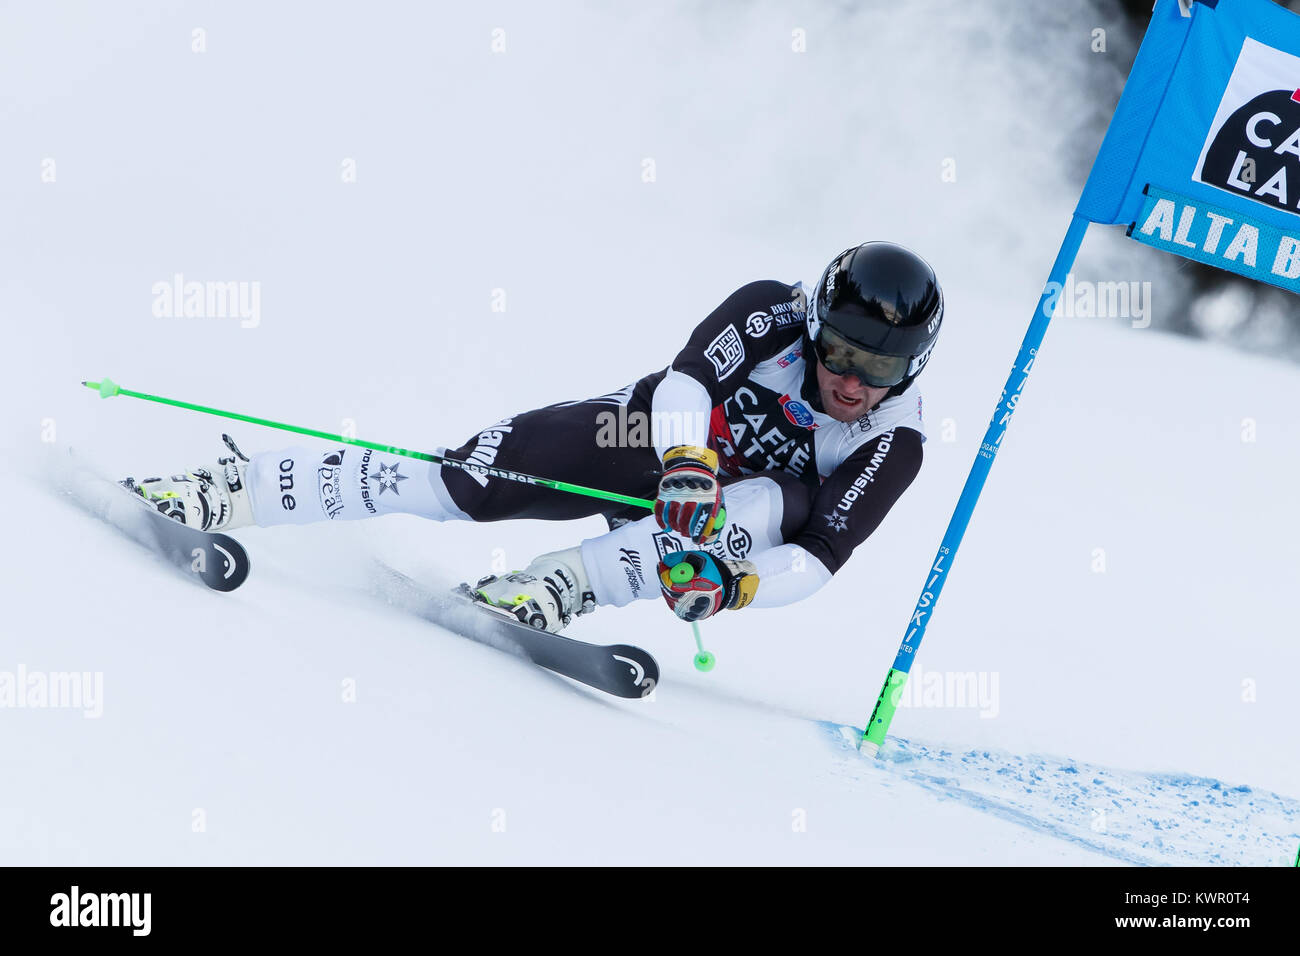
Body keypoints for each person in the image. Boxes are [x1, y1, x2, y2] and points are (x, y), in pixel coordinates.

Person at [124, 242, 943, 634]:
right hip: (648, 439)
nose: (851, 381)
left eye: (881, 368)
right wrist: (688, 463)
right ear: (815, 326)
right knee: (467, 484)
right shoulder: (773, 309)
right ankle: (236, 490)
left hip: (715, 516)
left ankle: (555, 589)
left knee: (780, 502)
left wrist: (736, 590)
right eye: (839, 351)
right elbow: (688, 380)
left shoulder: (892, 441)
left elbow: (823, 554)